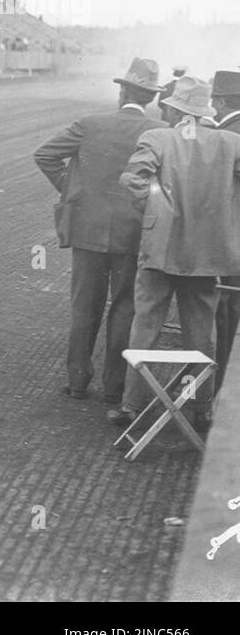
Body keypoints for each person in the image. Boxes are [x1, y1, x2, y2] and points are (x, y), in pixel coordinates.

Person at [34, 58, 167, 404]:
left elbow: (45, 155)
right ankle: (114, 387)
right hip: (134, 233)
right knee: (125, 309)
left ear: (122, 91)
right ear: (151, 97)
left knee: (84, 307)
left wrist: (71, 191)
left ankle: (77, 382)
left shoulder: (90, 124)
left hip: (88, 231)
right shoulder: (159, 129)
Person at [113, 75, 240, 431]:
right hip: (208, 254)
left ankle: (131, 405)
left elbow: (133, 180)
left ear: (174, 109)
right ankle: (202, 408)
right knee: (202, 333)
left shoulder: (158, 138)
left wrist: (159, 210)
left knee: (146, 325)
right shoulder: (231, 143)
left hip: (159, 250)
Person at [199, 69, 240, 426]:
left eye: (214, 99)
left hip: (228, 241)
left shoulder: (224, 137)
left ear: (223, 102)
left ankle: (218, 400)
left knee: (224, 319)